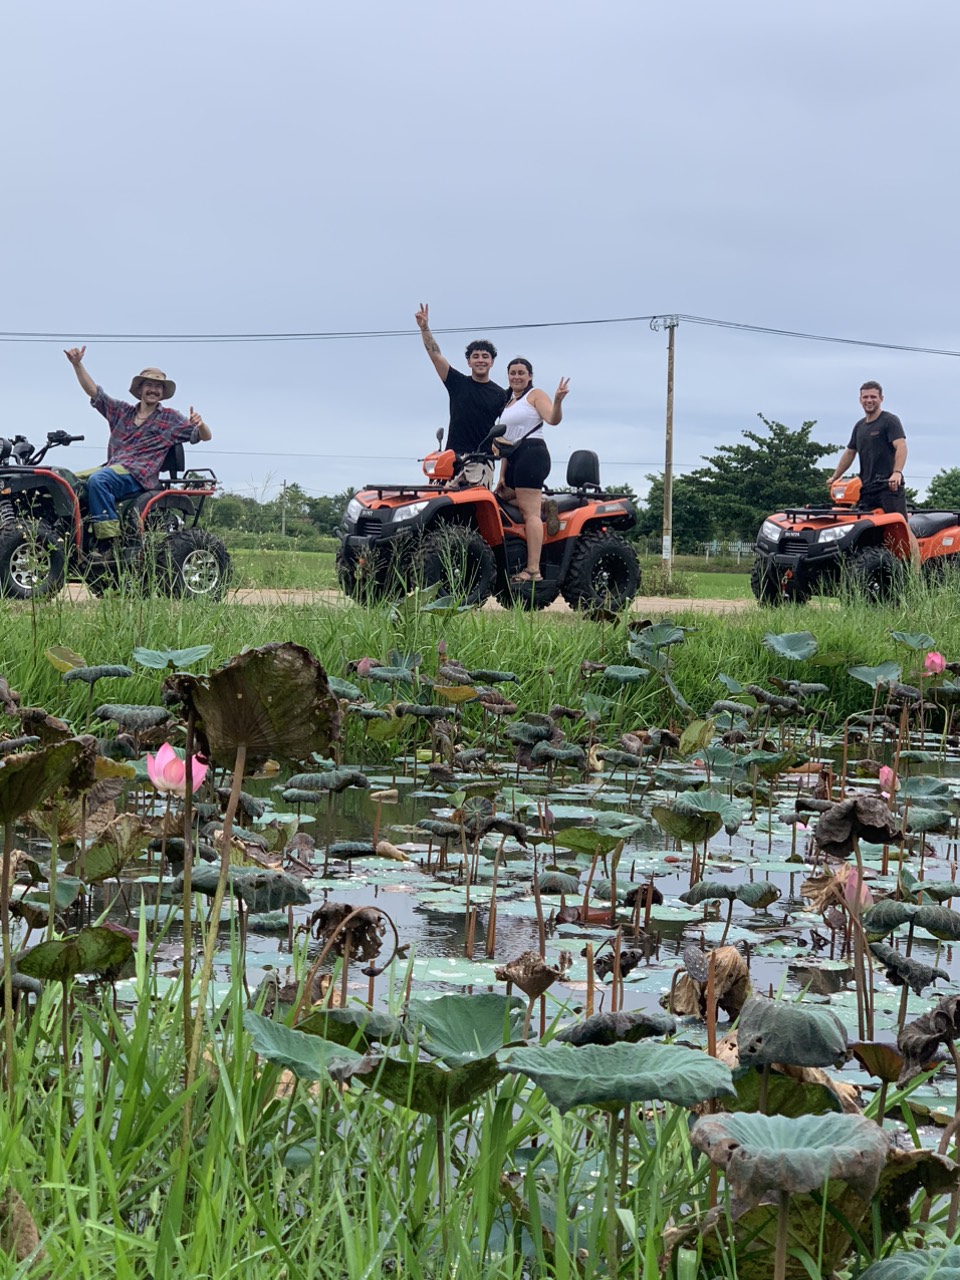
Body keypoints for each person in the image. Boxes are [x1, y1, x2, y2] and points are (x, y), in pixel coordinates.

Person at [63, 346, 212, 547]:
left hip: (140, 476)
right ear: (140, 389)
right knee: (68, 480)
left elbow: (204, 436)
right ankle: (73, 537)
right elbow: (95, 393)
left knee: (99, 480)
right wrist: (77, 364)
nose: (153, 390)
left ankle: (108, 542)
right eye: (149, 385)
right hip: (114, 468)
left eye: (158, 386)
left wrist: (200, 424)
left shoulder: (171, 418)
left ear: (163, 393)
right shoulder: (122, 412)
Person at [494, 358, 569, 583]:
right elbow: (506, 441)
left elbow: (553, 419)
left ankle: (533, 570)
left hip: (532, 454)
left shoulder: (534, 395)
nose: (516, 377)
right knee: (502, 496)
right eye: (512, 373)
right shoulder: (508, 402)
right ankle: (545, 505)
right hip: (513, 457)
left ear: (530, 376)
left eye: (521, 373)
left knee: (530, 514)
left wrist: (558, 400)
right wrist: (501, 476)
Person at [414, 303, 506, 484]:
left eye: (485, 356)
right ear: (468, 362)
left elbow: (507, 428)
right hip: (452, 458)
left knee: (476, 501)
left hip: (481, 461)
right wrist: (424, 328)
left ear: (492, 362)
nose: (480, 360)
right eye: (476, 356)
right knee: (439, 498)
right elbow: (436, 356)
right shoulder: (457, 383)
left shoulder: (500, 394)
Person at [827, 381, 907, 516]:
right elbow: (850, 452)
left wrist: (897, 472)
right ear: (860, 400)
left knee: (898, 525)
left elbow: (901, 446)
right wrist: (835, 477)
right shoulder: (859, 426)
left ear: (881, 399)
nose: (869, 400)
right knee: (863, 524)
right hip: (866, 489)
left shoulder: (889, 421)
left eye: (873, 397)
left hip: (888, 487)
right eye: (865, 397)